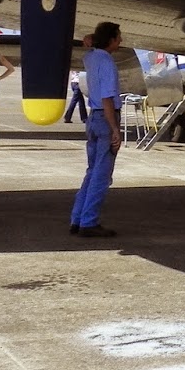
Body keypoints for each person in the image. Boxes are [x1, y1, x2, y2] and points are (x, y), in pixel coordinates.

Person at [70, 21, 123, 237]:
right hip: (105, 118)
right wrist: (115, 129)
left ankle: (77, 218)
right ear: (111, 40)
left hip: (93, 119)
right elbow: (107, 98)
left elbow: (90, 44)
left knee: (91, 171)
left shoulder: (90, 58)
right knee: (102, 175)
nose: (121, 40)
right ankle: (89, 222)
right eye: (118, 36)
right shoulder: (108, 62)